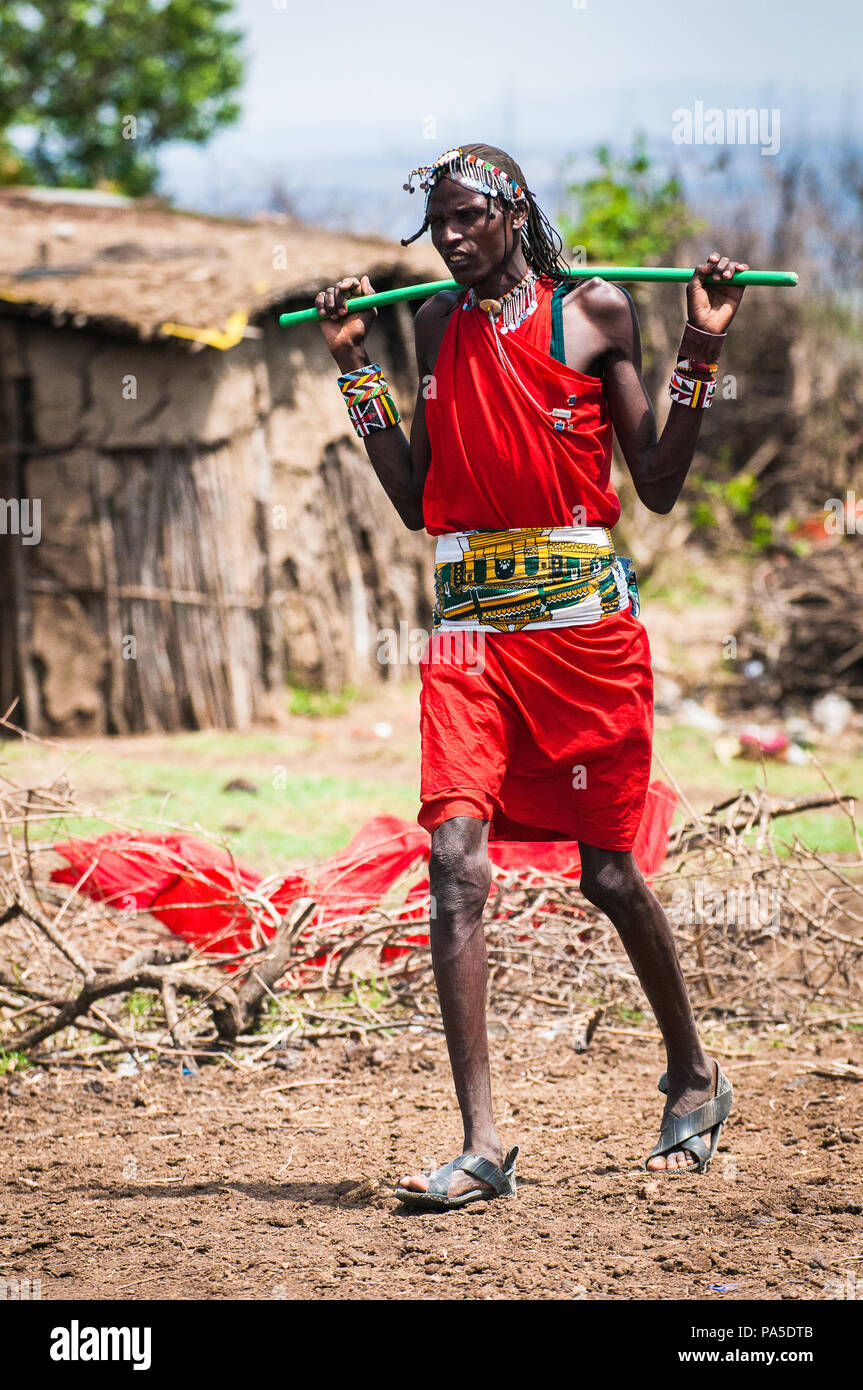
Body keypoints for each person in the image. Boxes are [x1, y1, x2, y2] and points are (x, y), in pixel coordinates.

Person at [315, 143, 747, 1211]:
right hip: (467, 637)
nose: (450, 238)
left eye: (468, 217)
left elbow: (655, 480)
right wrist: (354, 370)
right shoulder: (433, 326)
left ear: (513, 213)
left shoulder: (592, 311)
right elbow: (415, 500)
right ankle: (480, 1145)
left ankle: (693, 1075)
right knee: (453, 863)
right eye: (438, 223)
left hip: (582, 640)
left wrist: (700, 340)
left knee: (607, 876)